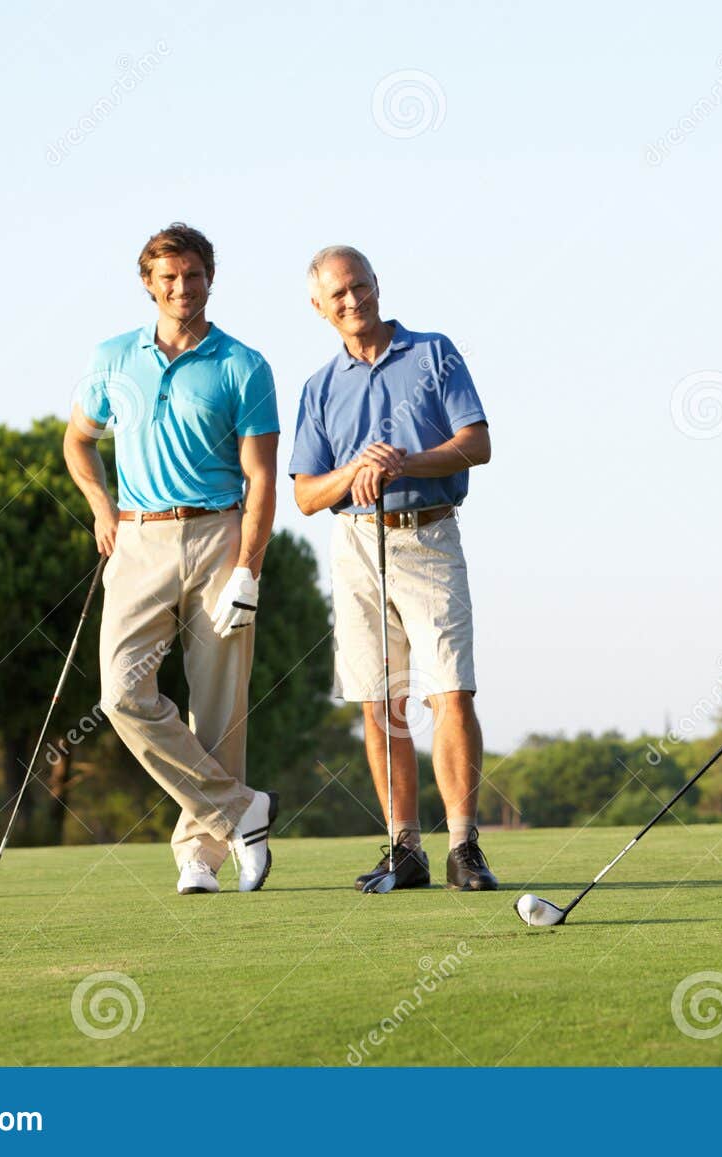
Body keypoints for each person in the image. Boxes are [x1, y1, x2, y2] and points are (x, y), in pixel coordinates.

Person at [64, 222, 281, 896]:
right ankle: (241, 809)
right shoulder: (111, 357)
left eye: (193, 275)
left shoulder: (243, 364)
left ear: (209, 278)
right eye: (169, 277)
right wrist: (101, 507)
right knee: (121, 693)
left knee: (218, 708)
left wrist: (248, 569)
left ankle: (200, 857)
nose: (182, 287)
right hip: (138, 538)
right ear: (147, 283)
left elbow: (262, 480)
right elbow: (78, 441)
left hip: (219, 537)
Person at [290, 245, 496, 892]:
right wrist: (355, 470)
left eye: (360, 286)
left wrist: (403, 461)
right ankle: (404, 850)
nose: (353, 300)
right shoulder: (319, 387)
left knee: (451, 690)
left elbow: (477, 444)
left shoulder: (434, 353)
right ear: (319, 307)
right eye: (339, 294)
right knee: (381, 701)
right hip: (356, 545)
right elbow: (305, 495)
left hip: (428, 534)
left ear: (376, 284)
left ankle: (463, 847)